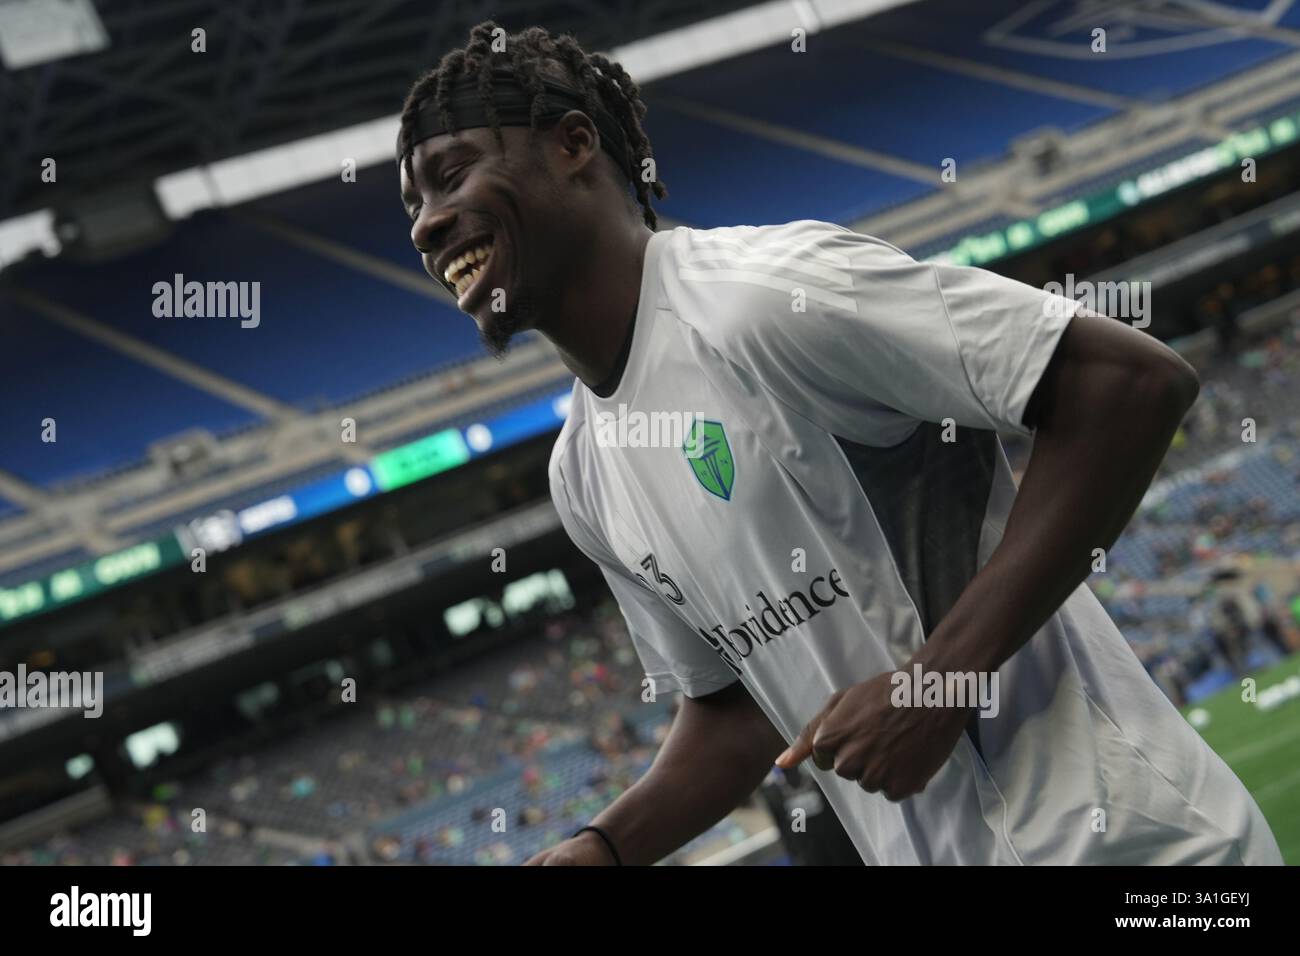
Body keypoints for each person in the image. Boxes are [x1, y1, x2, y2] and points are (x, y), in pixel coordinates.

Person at [396, 22, 1282, 865]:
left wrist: (936, 685)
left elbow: (1127, 384)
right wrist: (609, 844)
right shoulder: (583, 475)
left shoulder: (765, 298)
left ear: (574, 143)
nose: (425, 225)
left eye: (450, 175)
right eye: (412, 202)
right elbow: (738, 707)